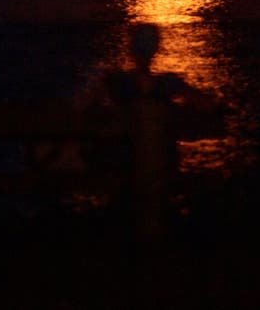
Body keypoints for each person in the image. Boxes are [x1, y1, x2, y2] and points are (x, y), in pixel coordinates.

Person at [73, 22, 225, 240]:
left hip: (124, 165)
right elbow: (208, 106)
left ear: (130, 49)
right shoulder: (168, 84)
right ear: (156, 49)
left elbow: (79, 108)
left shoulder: (116, 82)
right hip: (162, 165)